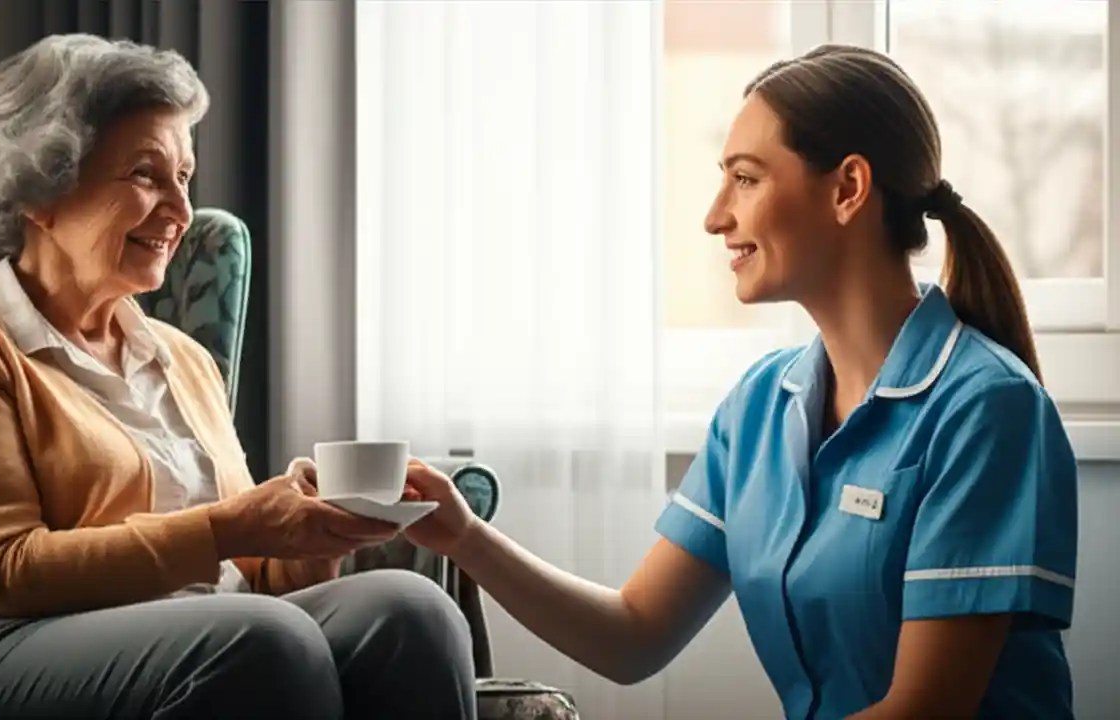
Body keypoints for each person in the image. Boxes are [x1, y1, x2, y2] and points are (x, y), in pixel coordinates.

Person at [403, 44, 1077, 720]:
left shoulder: (988, 409)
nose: (715, 215)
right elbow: (634, 634)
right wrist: (464, 537)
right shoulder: (760, 406)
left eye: (746, 179)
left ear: (847, 189)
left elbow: (924, 710)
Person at [0, 34, 475, 719]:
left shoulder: (179, 357)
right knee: (263, 641)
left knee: (411, 609)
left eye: (183, 177)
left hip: (213, 628)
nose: (182, 211)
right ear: (41, 194)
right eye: (145, 175)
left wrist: (311, 536)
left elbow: (256, 574)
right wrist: (224, 529)